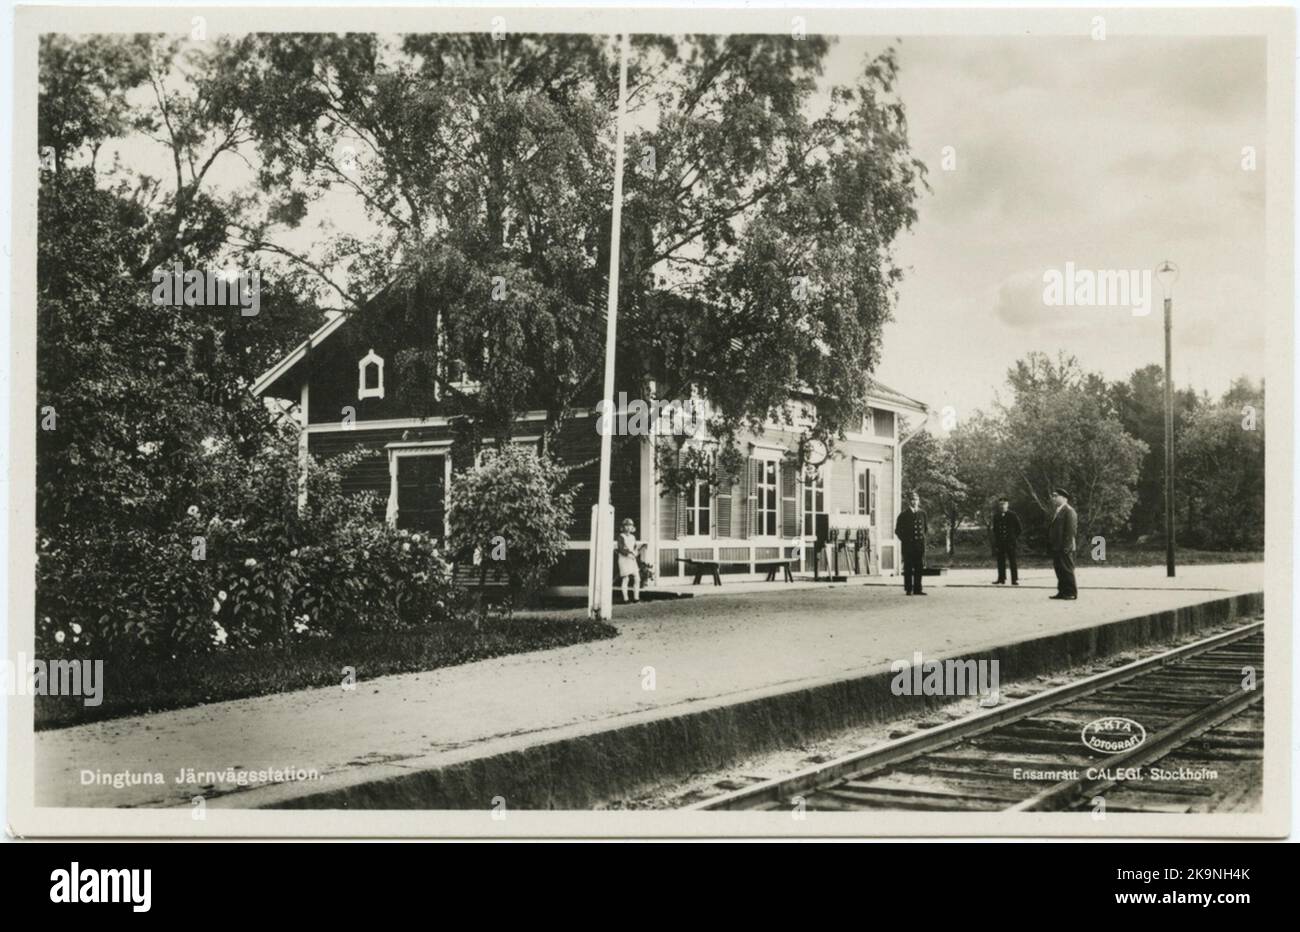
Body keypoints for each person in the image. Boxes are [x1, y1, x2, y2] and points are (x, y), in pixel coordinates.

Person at [894, 490, 928, 596]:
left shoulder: (923, 514)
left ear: (919, 501)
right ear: (909, 501)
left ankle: (918, 589)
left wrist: (922, 540)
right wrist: (906, 540)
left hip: (919, 545)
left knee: (919, 567)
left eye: (916, 499)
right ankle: (908, 589)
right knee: (908, 567)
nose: (914, 502)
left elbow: (925, 529)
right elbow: (898, 531)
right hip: (908, 546)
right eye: (912, 500)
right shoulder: (903, 515)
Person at [1047, 487, 1078, 600]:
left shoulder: (1069, 511)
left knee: (1067, 569)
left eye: (1056, 496)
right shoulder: (1059, 510)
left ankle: (1070, 592)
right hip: (1057, 546)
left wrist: (1066, 546)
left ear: (1064, 498)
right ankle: (1062, 591)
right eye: (1053, 496)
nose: (1053, 498)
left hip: (1064, 546)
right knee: (1059, 569)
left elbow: (1071, 531)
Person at [991, 496, 1022, 586]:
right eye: (1000, 504)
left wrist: (1013, 538)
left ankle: (1014, 579)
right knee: (1000, 561)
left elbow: (1019, 529)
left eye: (1004, 504)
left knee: (1013, 561)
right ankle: (1001, 579)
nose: (1002, 506)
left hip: (1010, 543)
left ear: (1008, 505)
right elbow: (995, 530)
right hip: (1000, 543)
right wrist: (997, 541)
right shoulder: (996, 516)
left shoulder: (1013, 515)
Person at [616, 518, 641, 604]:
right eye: (626, 525)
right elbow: (621, 548)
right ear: (623, 527)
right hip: (624, 559)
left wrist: (635, 552)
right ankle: (625, 599)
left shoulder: (633, 537)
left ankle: (636, 597)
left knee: (637, 578)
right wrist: (628, 554)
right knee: (625, 578)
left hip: (632, 559)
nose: (628, 527)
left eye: (630, 525)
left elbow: (634, 547)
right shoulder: (621, 537)